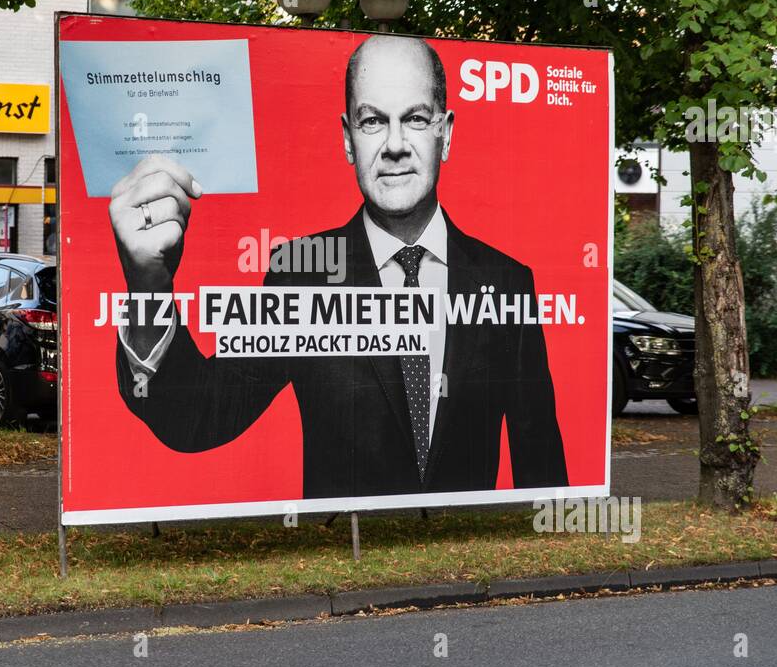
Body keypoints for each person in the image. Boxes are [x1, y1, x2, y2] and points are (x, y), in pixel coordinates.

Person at [108, 34, 567, 498]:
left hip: (466, 565)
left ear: (444, 133)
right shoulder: (301, 272)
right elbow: (197, 418)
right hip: (345, 563)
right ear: (348, 139)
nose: (394, 144)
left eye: (414, 118)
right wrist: (149, 288)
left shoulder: (506, 282)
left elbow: (542, 463)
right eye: (372, 121)